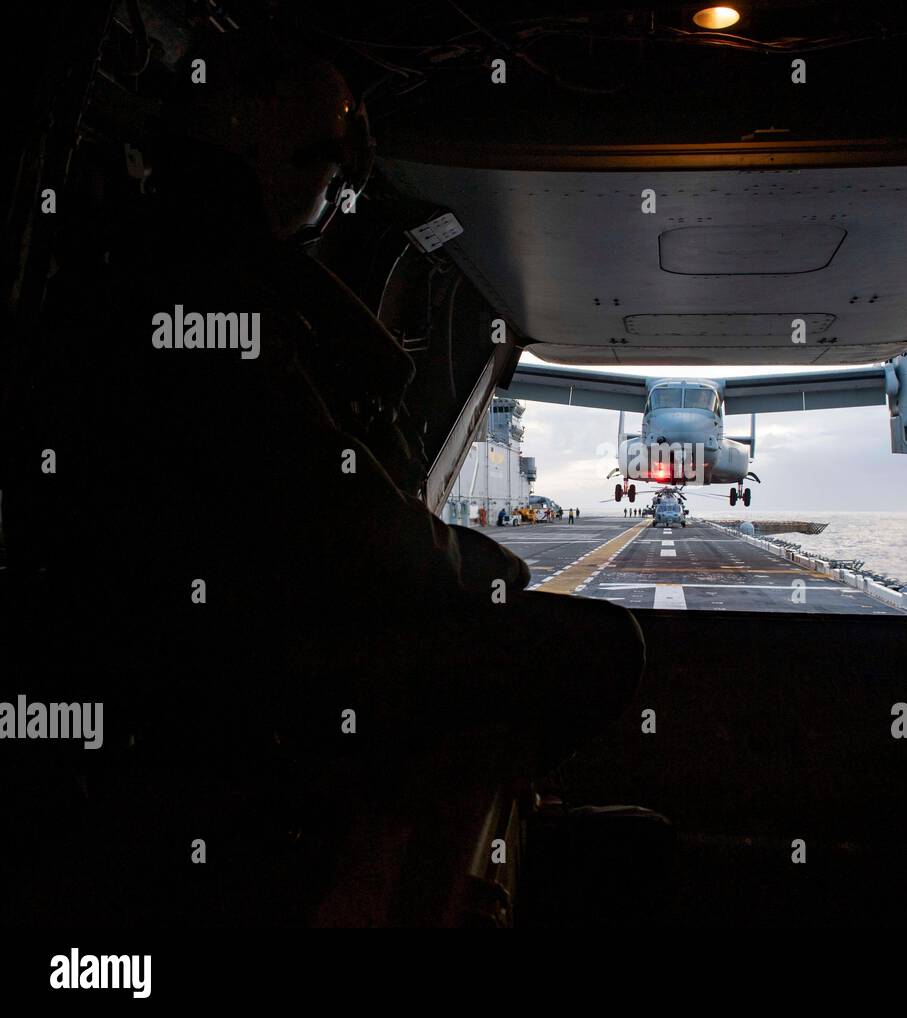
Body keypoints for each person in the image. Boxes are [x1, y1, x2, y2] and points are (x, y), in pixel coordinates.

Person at [9, 35, 644, 794]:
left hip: (176, 634)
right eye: (332, 178)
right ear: (276, 160)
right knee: (604, 648)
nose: (332, 204)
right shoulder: (212, 299)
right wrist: (488, 573)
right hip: (222, 658)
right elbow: (332, 506)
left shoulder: (162, 268)